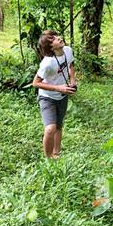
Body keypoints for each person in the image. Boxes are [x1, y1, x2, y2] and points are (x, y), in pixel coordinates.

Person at [30, 30, 76, 158]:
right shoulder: (47, 63)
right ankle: (48, 159)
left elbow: (71, 64)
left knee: (58, 126)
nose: (59, 38)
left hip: (62, 95)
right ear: (50, 48)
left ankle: (56, 154)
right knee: (50, 128)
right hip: (47, 97)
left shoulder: (68, 50)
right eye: (54, 39)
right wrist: (58, 88)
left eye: (57, 36)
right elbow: (36, 83)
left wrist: (72, 80)